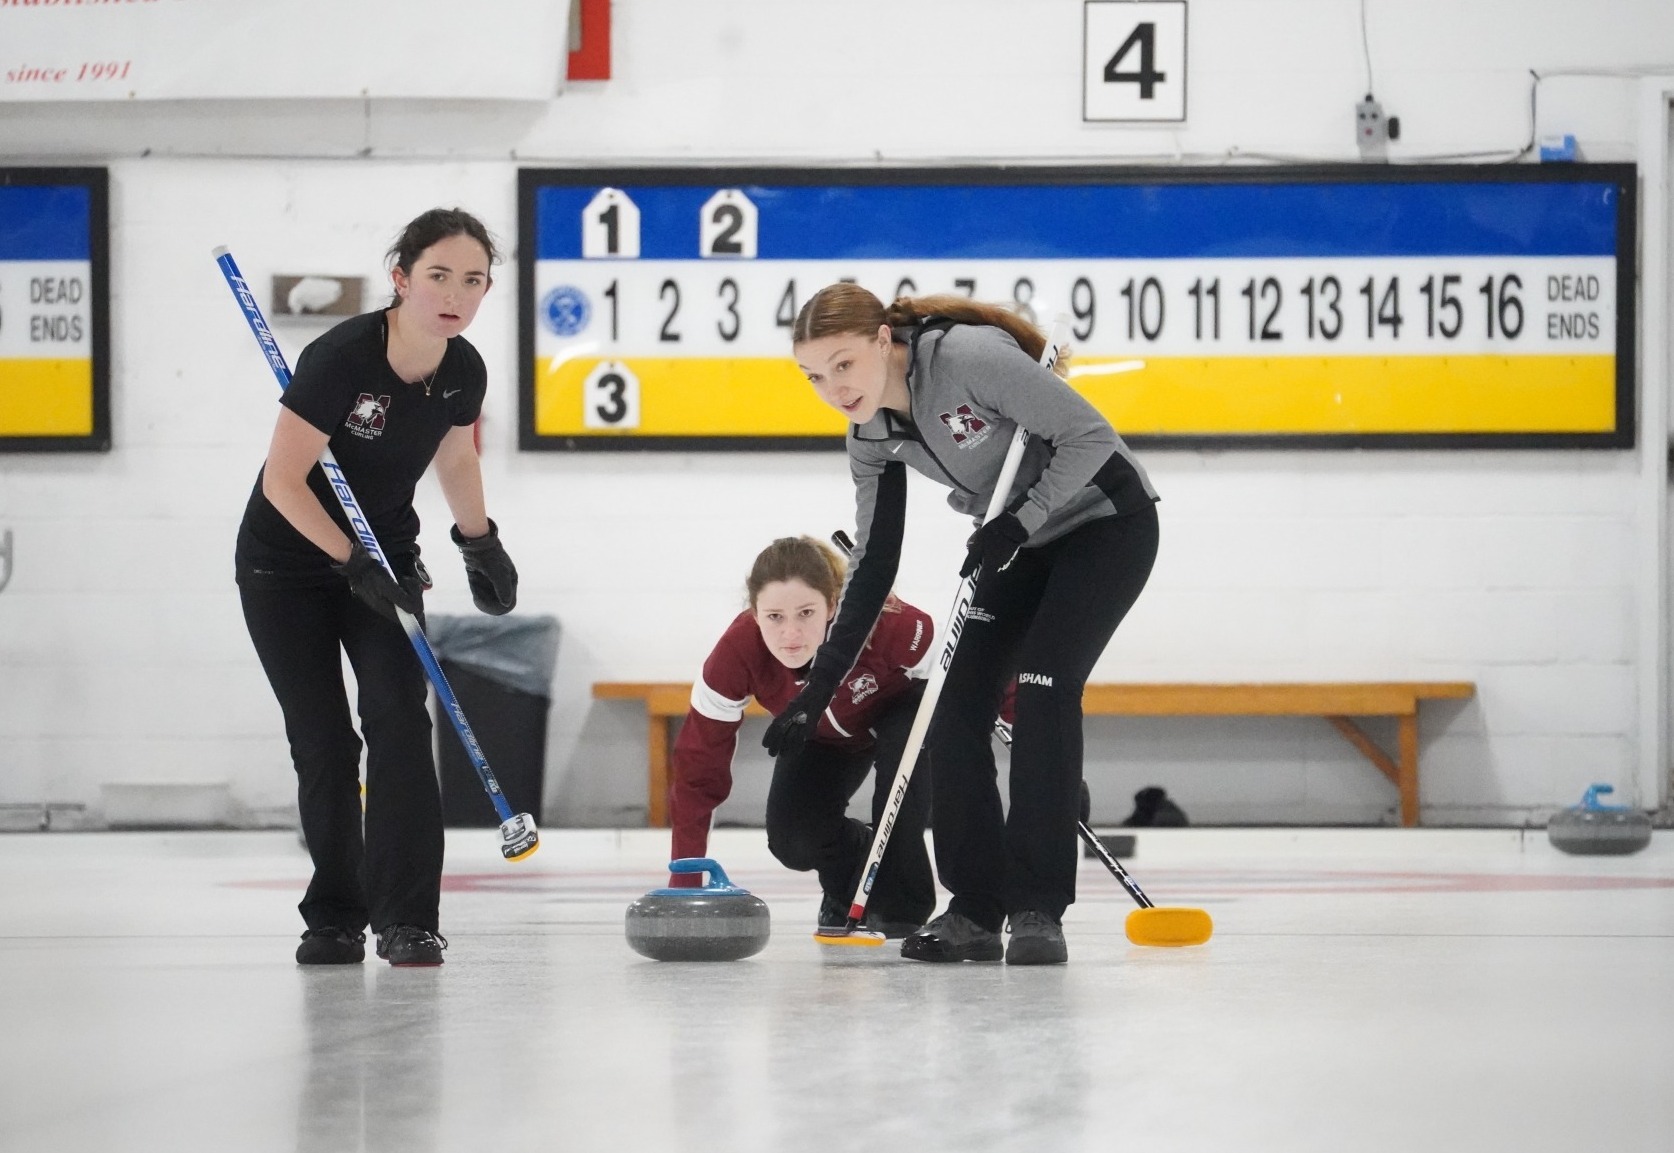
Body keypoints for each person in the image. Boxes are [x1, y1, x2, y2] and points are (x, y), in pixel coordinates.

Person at [772, 284, 1159, 965]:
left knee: (1043, 685)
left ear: (884, 340)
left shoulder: (968, 358)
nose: (832, 388)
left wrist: (1021, 518)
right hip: (1020, 542)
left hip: (1106, 523)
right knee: (953, 706)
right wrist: (818, 686)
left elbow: (1091, 436)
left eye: (843, 364)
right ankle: (976, 907)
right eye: (813, 376)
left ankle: (1038, 906)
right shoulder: (870, 434)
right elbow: (871, 566)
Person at [235, 208, 519, 967]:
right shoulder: (340, 360)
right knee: (324, 738)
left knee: (399, 716)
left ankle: (407, 918)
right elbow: (284, 481)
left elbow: (455, 459)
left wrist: (478, 539)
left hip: (384, 561)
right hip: (285, 565)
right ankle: (333, 914)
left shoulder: (463, 369)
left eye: (473, 280)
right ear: (401, 278)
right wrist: (346, 559)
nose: (455, 293)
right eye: (438, 276)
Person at [669, 535, 937, 936]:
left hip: (897, 713)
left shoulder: (894, 623)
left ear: (832, 606)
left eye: (806, 613)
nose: (790, 634)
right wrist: (685, 885)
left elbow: (965, 671)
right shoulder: (735, 654)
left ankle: (902, 906)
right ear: (754, 614)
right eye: (774, 616)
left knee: (899, 775)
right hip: (818, 733)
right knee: (794, 841)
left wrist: (1014, 718)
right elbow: (698, 767)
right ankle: (850, 879)